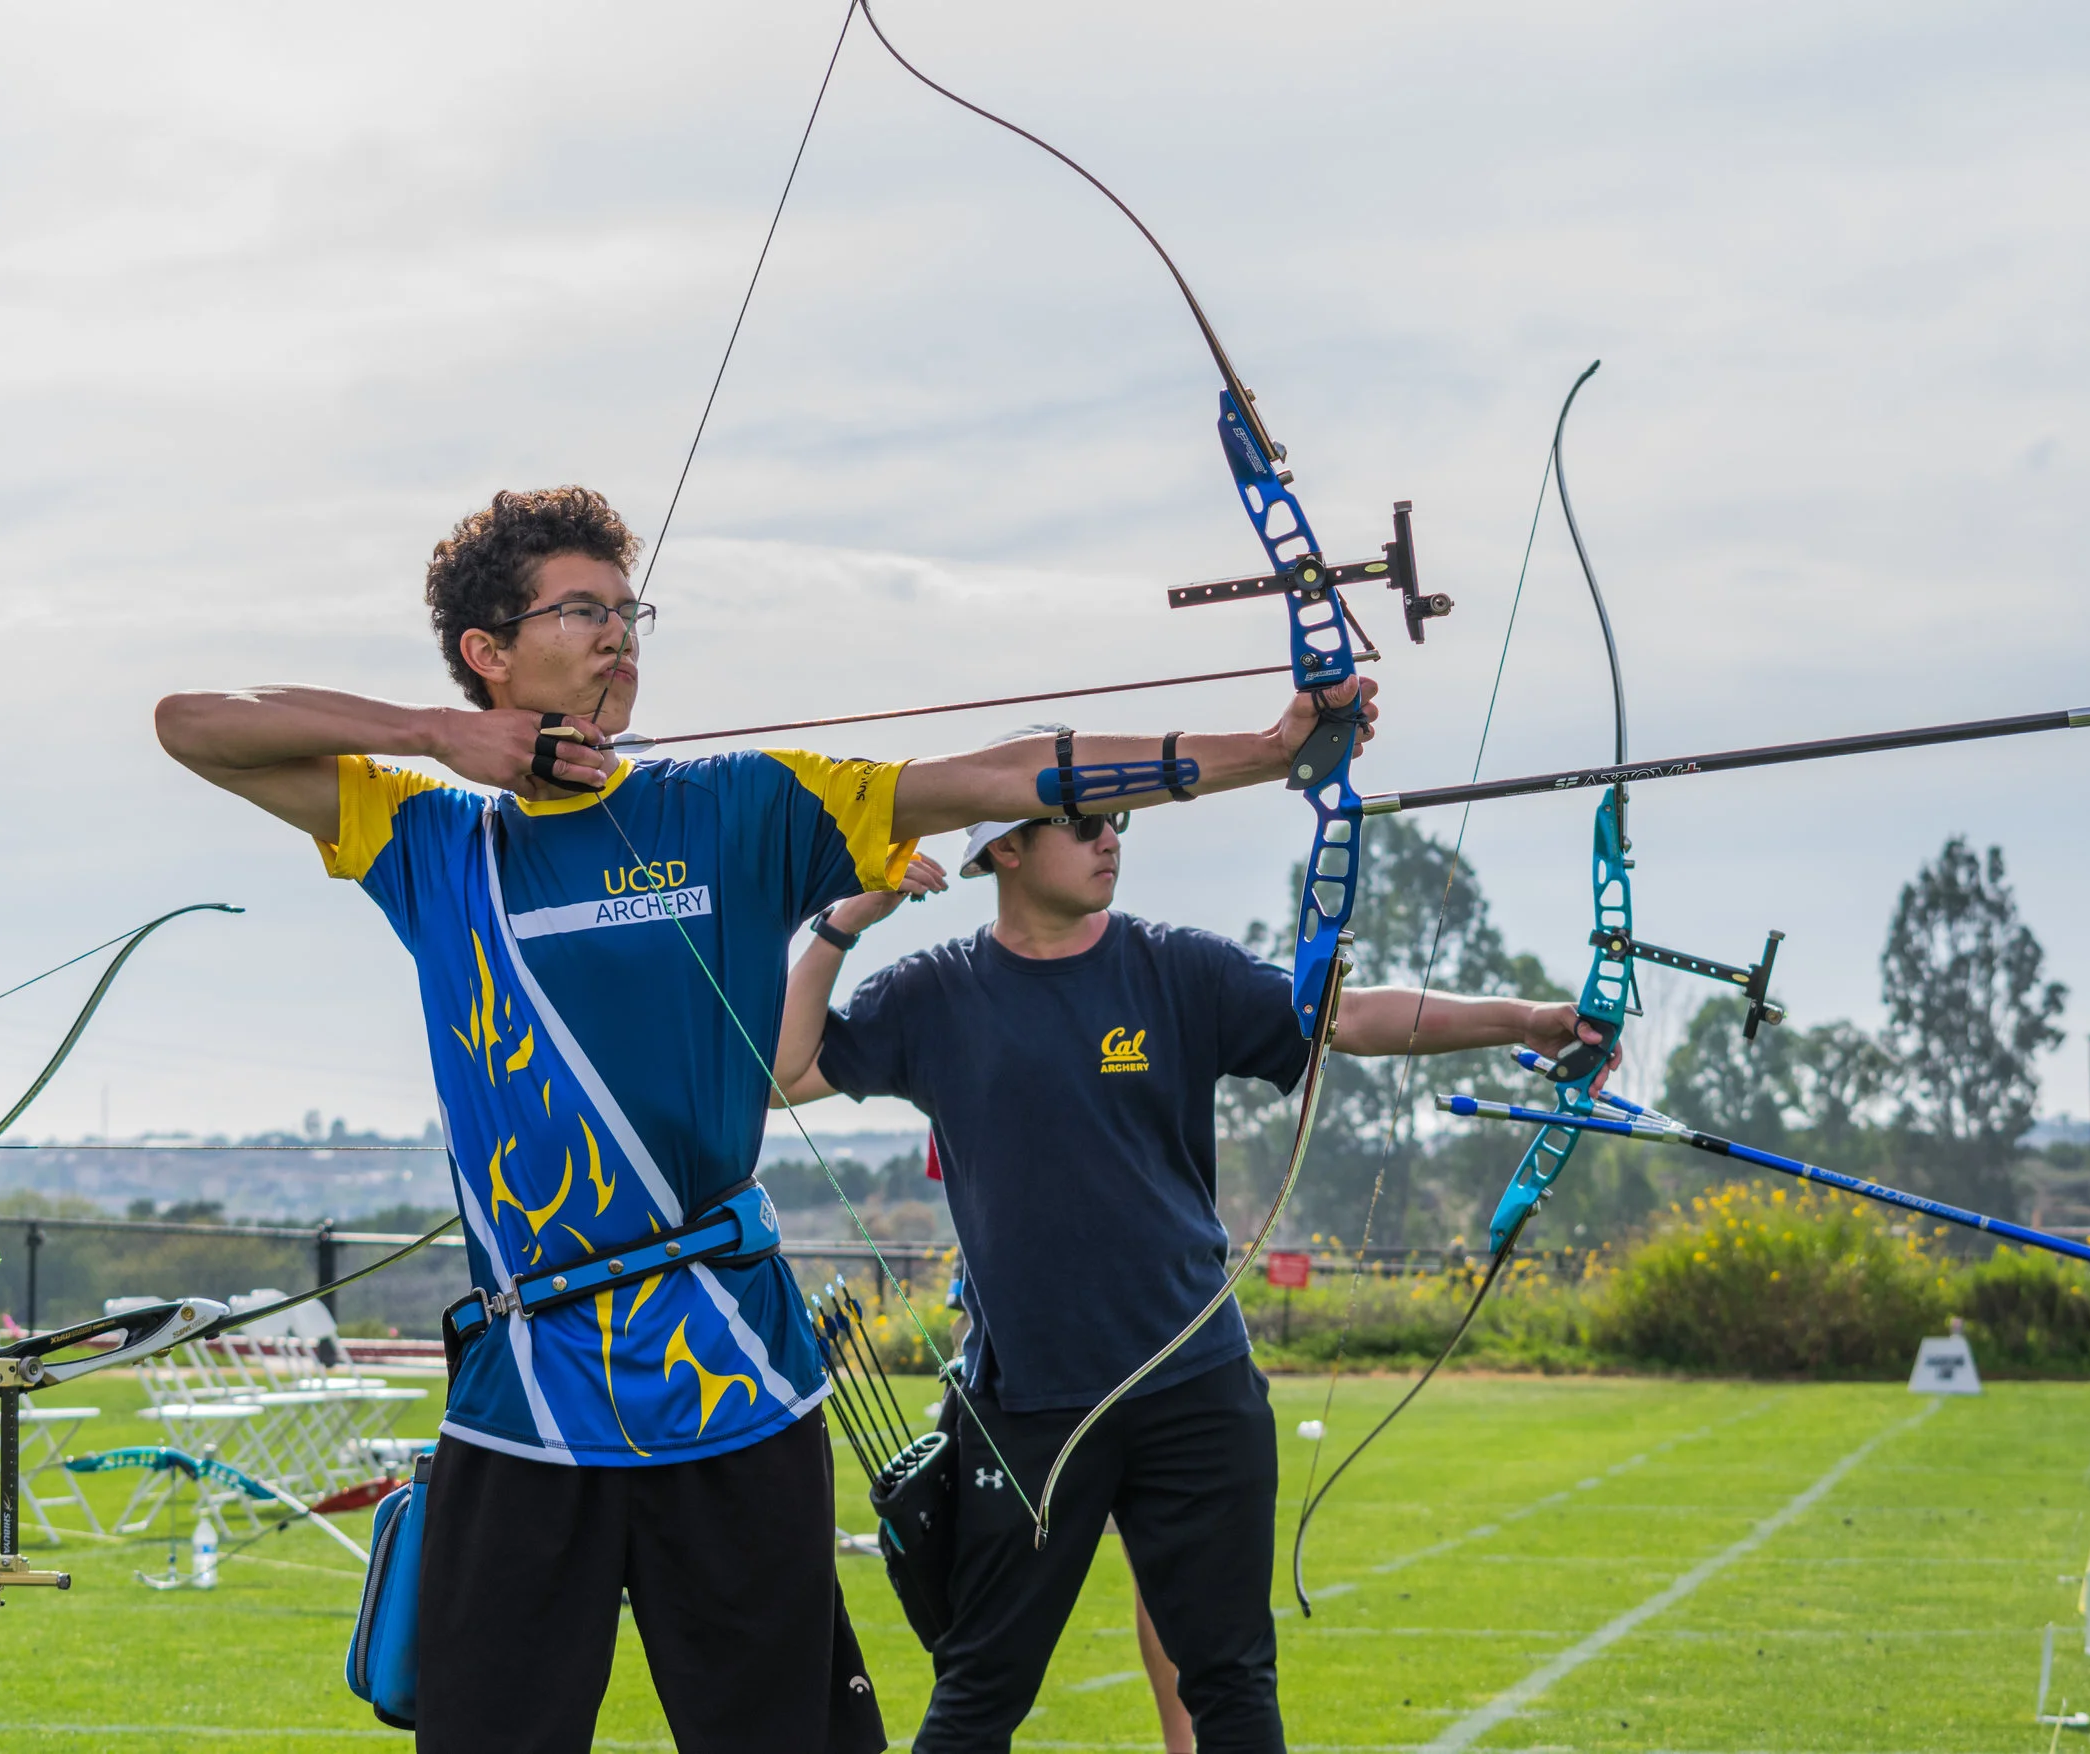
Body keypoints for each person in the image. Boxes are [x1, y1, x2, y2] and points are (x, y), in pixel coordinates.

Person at [152, 487, 1377, 1754]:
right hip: (528, 1392)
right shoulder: (429, 838)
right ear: (488, 651)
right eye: (585, 610)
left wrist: (1266, 747)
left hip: (731, 1374)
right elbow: (190, 723)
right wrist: (432, 738)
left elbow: (998, 776)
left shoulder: (738, 807)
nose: (622, 635)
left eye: (631, 611)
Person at [770, 747, 1609, 1754]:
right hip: (1030, 1406)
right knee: (980, 1687)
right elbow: (788, 1068)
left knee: (1232, 1682)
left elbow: (1344, 1013)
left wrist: (1528, 1017)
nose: (1110, 838)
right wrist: (841, 920)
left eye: (1119, 822)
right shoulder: (933, 991)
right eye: (1084, 823)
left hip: (1195, 1385)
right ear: (1004, 846)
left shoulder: (1175, 964)